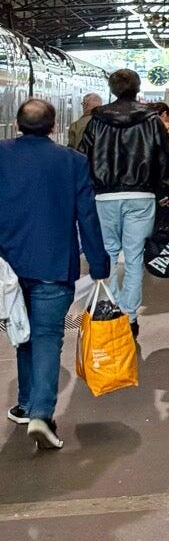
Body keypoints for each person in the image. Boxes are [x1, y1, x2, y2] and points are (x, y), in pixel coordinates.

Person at [0, 98, 110, 451]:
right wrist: (99, 263)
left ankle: (25, 404)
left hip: (8, 267)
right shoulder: (72, 161)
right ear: (54, 126)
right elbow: (87, 216)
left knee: (22, 333)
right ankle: (40, 414)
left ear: (17, 124)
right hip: (53, 264)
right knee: (47, 337)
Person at [81, 69, 169, 343]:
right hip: (141, 196)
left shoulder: (96, 120)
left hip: (104, 197)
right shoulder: (151, 120)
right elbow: (165, 156)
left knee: (109, 254)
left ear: (112, 90)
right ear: (137, 88)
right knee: (135, 257)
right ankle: (130, 318)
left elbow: (83, 156)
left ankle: (112, 311)